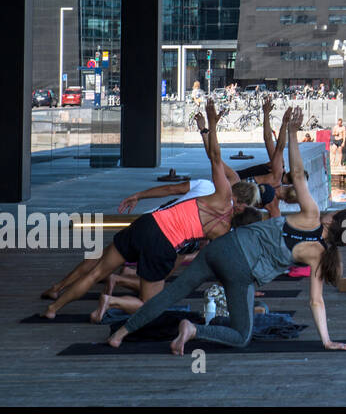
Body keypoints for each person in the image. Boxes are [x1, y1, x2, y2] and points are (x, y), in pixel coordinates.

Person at [109, 108, 346, 353]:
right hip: (240, 270)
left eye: (335, 214)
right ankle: (193, 330)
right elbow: (316, 301)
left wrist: (293, 133)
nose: (331, 212)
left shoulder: (312, 215)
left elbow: (297, 175)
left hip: (222, 247)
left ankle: (121, 333)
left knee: (172, 293)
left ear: (331, 222)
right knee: (241, 336)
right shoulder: (320, 256)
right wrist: (327, 341)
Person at [42, 100, 248, 317]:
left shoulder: (213, 190)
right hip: (166, 244)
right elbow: (221, 260)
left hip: (149, 222)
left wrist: (209, 127)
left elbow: (212, 160)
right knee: (153, 302)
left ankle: (53, 308)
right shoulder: (223, 228)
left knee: (96, 271)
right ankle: (111, 301)